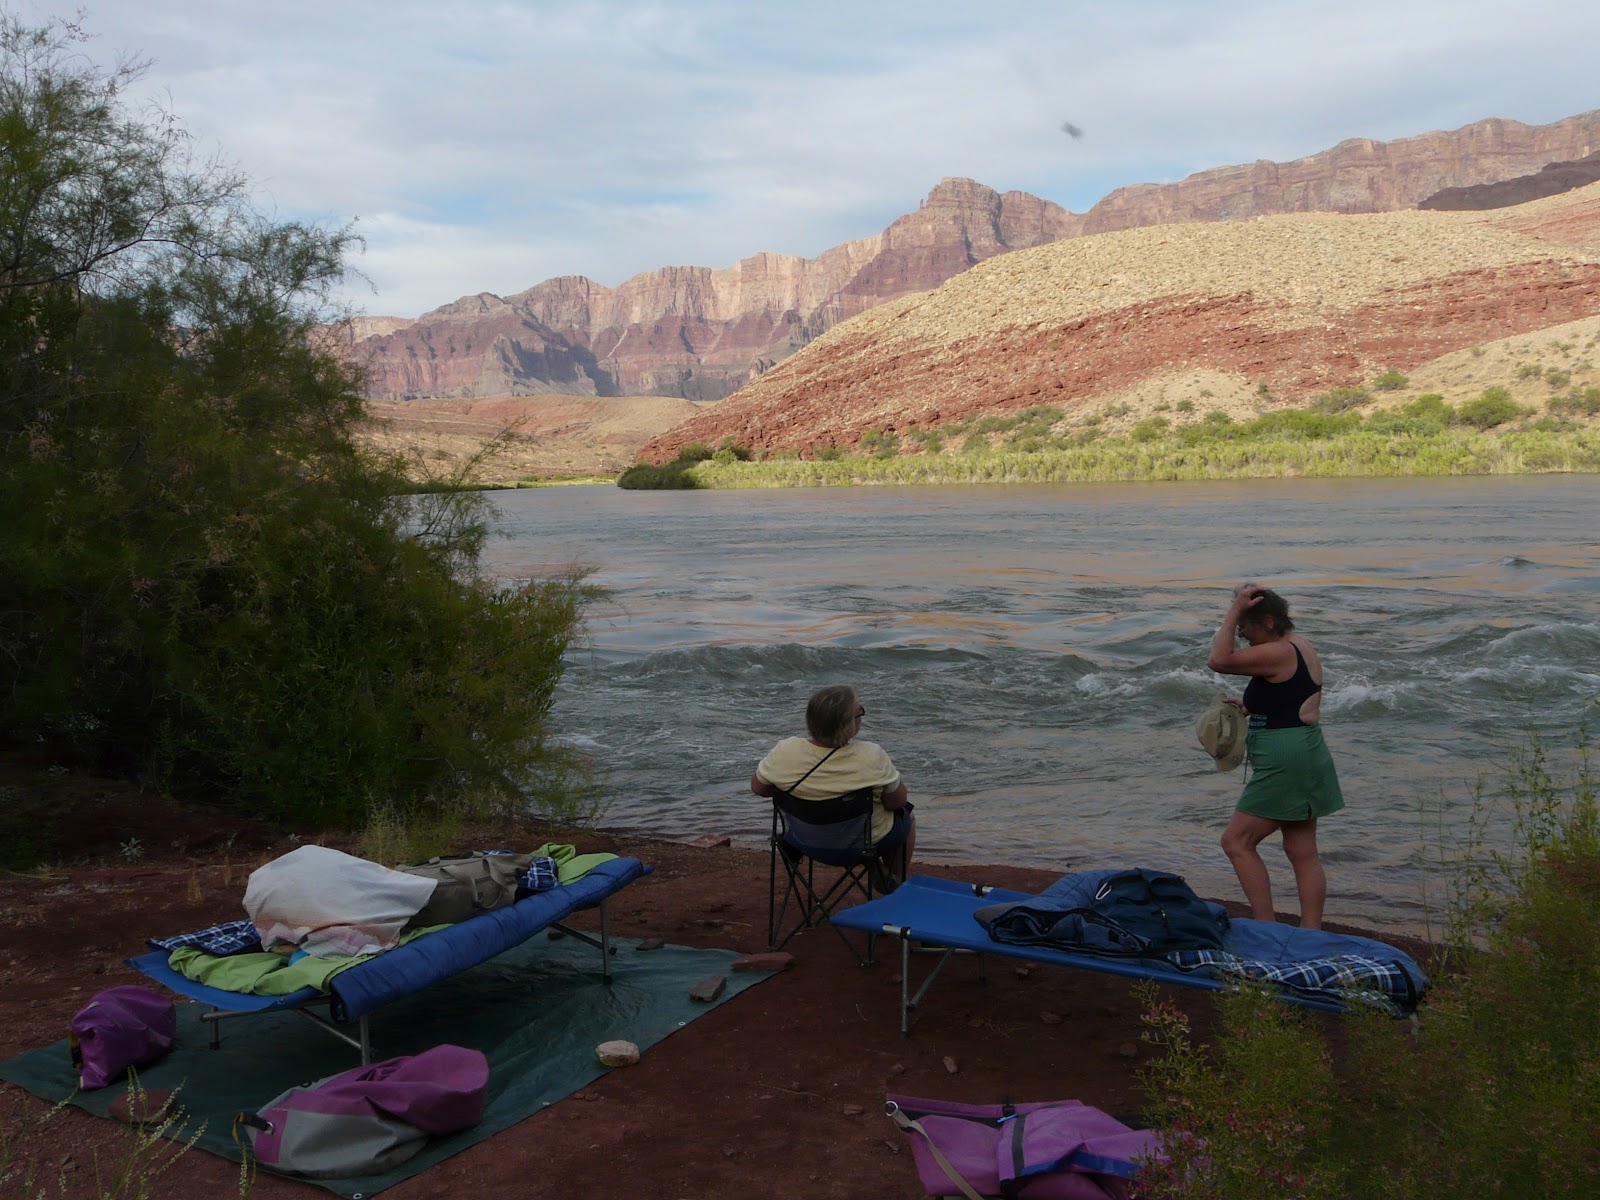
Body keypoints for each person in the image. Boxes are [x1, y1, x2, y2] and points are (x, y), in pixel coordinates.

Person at [1206, 584, 1343, 928]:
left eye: (1245, 629)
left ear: (1267, 621)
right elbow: (1293, 697)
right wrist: (1250, 706)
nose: (1242, 637)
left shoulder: (1280, 651)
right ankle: (1310, 935)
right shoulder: (1299, 647)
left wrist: (1233, 611)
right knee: (1301, 851)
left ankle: (1265, 927)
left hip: (1286, 758)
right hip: (1305, 752)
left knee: (1237, 841)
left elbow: (1218, 660)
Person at [751, 684, 914, 888]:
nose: (861, 716)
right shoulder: (871, 755)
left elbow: (759, 788)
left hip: (803, 841)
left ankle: (885, 875)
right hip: (861, 845)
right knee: (907, 815)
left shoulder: (786, 750)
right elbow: (897, 802)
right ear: (847, 725)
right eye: (859, 712)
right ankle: (895, 882)